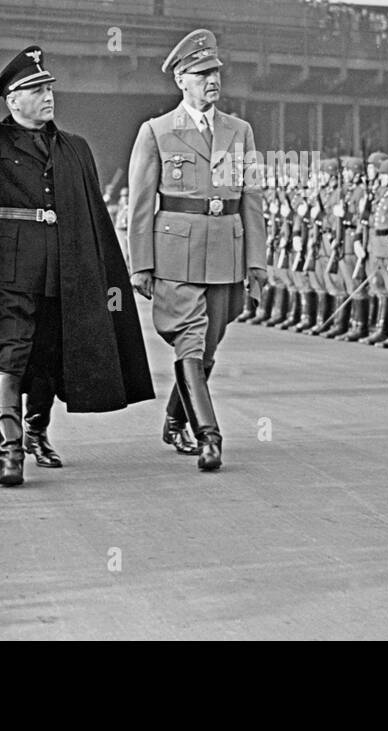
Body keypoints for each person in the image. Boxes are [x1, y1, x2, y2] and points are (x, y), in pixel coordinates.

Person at [0, 48, 153, 486]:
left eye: (49, 88)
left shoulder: (74, 148)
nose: (48, 96)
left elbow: (91, 214)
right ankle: (9, 453)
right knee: (11, 354)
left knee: (47, 358)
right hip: (7, 270)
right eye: (36, 90)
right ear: (13, 100)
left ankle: (36, 433)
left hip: (63, 269)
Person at [127, 29, 267, 471]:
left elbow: (252, 200)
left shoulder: (239, 132)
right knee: (189, 341)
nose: (212, 81)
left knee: (207, 347)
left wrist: (257, 263)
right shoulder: (157, 132)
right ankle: (209, 435)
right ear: (181, 80)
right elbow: (141, 203)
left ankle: (174, 419)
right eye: (202, 73)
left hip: (227, 251)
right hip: (176, 253)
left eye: (216, 73)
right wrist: (141, 265)